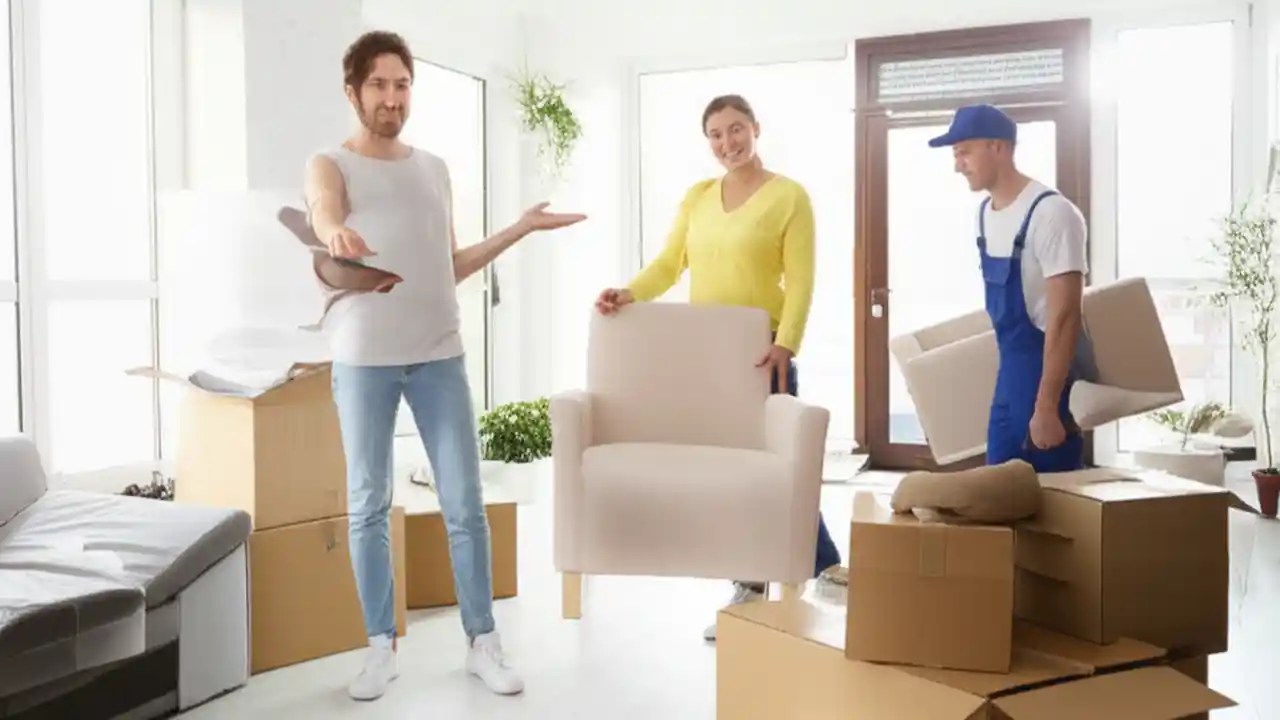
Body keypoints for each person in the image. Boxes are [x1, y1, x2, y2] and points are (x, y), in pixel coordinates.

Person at [304, 30, 585, 702]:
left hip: (439, 355)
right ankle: (380, 648)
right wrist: (335, 232)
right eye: (378, 84)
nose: (391, 97)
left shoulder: (433, 167)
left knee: (465, 503)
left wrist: (518, 228)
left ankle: (481, 640)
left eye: (402, 85)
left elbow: (447, 266)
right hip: (365, 360)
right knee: (369, 505)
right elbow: (323, 212)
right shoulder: (330, 163)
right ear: (353, 91)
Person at [594, 94, 842, 641]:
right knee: (736, 475)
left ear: (756, 127)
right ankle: (761, 585)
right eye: (715, 134)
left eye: (735, 129)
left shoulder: (789, 197)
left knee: (782, 466)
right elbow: (667, 266)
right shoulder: (698, 197)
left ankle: (819, 571)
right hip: (708, 355)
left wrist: (788, 344)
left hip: (764, 352)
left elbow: (801, 279)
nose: (727, 143)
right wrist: (627, 292)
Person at [928, 103, 1088, 472]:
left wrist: (1046, 406)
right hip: (1008, 378)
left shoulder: (1052, 213)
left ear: (998, 148)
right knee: (998, 498)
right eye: (955, 155)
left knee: (1055, 506)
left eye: (964, 152)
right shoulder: (984, 214)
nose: (957, 165)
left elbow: (1065, 318)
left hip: (1047, 380)